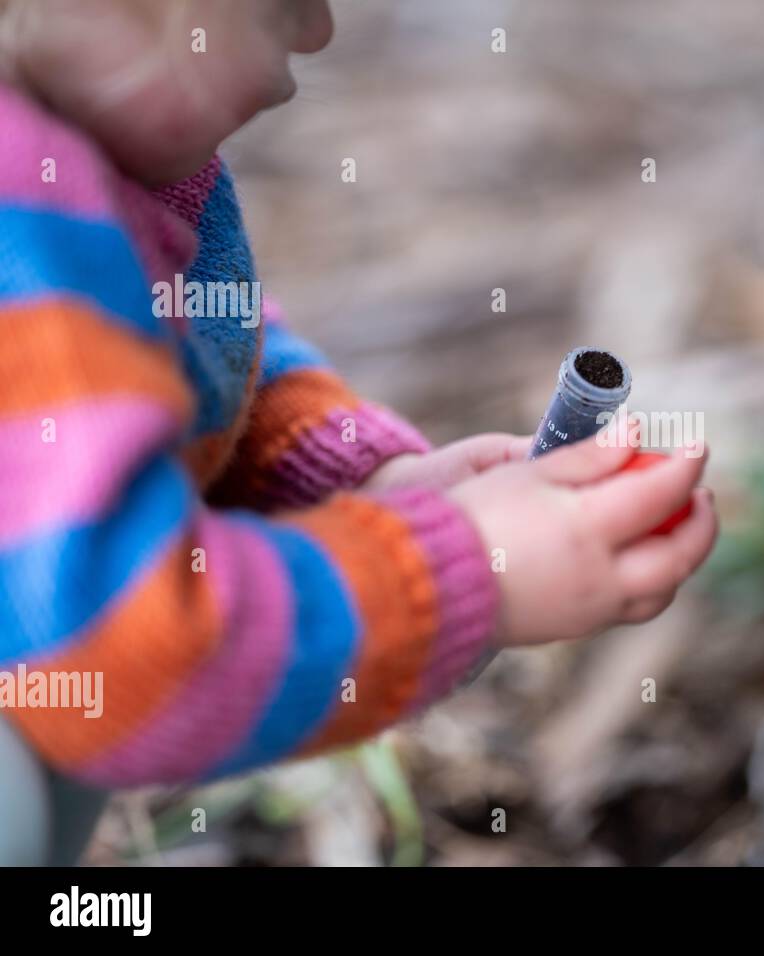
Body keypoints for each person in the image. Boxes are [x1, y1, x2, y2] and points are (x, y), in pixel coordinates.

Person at [0, 0, 717, 864]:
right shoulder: (20, 200)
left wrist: (353, 485)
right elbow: (127, 655)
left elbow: (175, 359)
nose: (316, 32)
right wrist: (452, 568)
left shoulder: (90, 155)